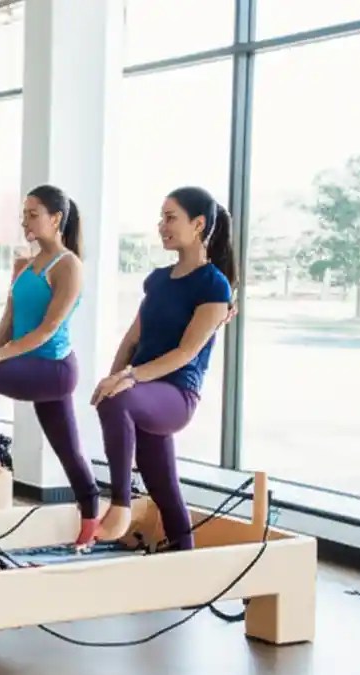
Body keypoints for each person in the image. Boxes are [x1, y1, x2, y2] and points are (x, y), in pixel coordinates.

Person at [92, 186, 237, 551]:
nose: (161, 225)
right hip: (142, 390)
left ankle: (121, 506)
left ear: (199, 224)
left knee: (118, 403)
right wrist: (113, 377)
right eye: (161, 217)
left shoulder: (214, 286)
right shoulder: (158, 280)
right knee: (161, 482)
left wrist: (128, 379)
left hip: (176, 394)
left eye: (170, 217)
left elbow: (187, 353)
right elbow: (131, 341)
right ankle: (184, 558)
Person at [0, 185, 102, 546]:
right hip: (31, 364)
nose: (25, 221)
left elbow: (49, 327)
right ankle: (91, 515)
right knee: (68, 449)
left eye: (33, 213)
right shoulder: (24, 264)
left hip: (54, 370)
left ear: (56, 218)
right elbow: (10, 315)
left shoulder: (69, 265)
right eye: (24, 214)